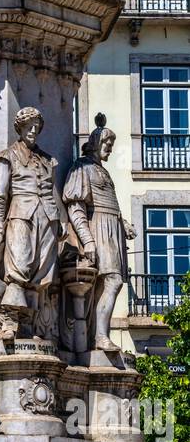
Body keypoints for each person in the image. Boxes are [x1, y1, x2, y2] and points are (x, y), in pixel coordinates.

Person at [0, 107, 67, 326]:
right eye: (28, 127)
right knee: (19, 265)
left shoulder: (47, 161)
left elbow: (53, 192)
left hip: (47, 218)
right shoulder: (6, 157)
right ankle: (10, 321)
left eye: (36, 127)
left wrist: (60, 221)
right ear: (19, 128)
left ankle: (30, 323)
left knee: (41, 271)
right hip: (21, 215)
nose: (32, 131)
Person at [63, 115, 135, 353]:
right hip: (99, 230)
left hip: (112, 229)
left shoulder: (101, 171)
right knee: (111, 281)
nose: (110, 150)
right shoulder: (81, 167)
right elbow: (75, 207)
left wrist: (122, 223)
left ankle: (98, 334)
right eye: (107, 145)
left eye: (112, 146)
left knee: (109, 283)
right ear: (95, 143)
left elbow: (108, 203)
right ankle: (100, 336)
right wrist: (88, 240)